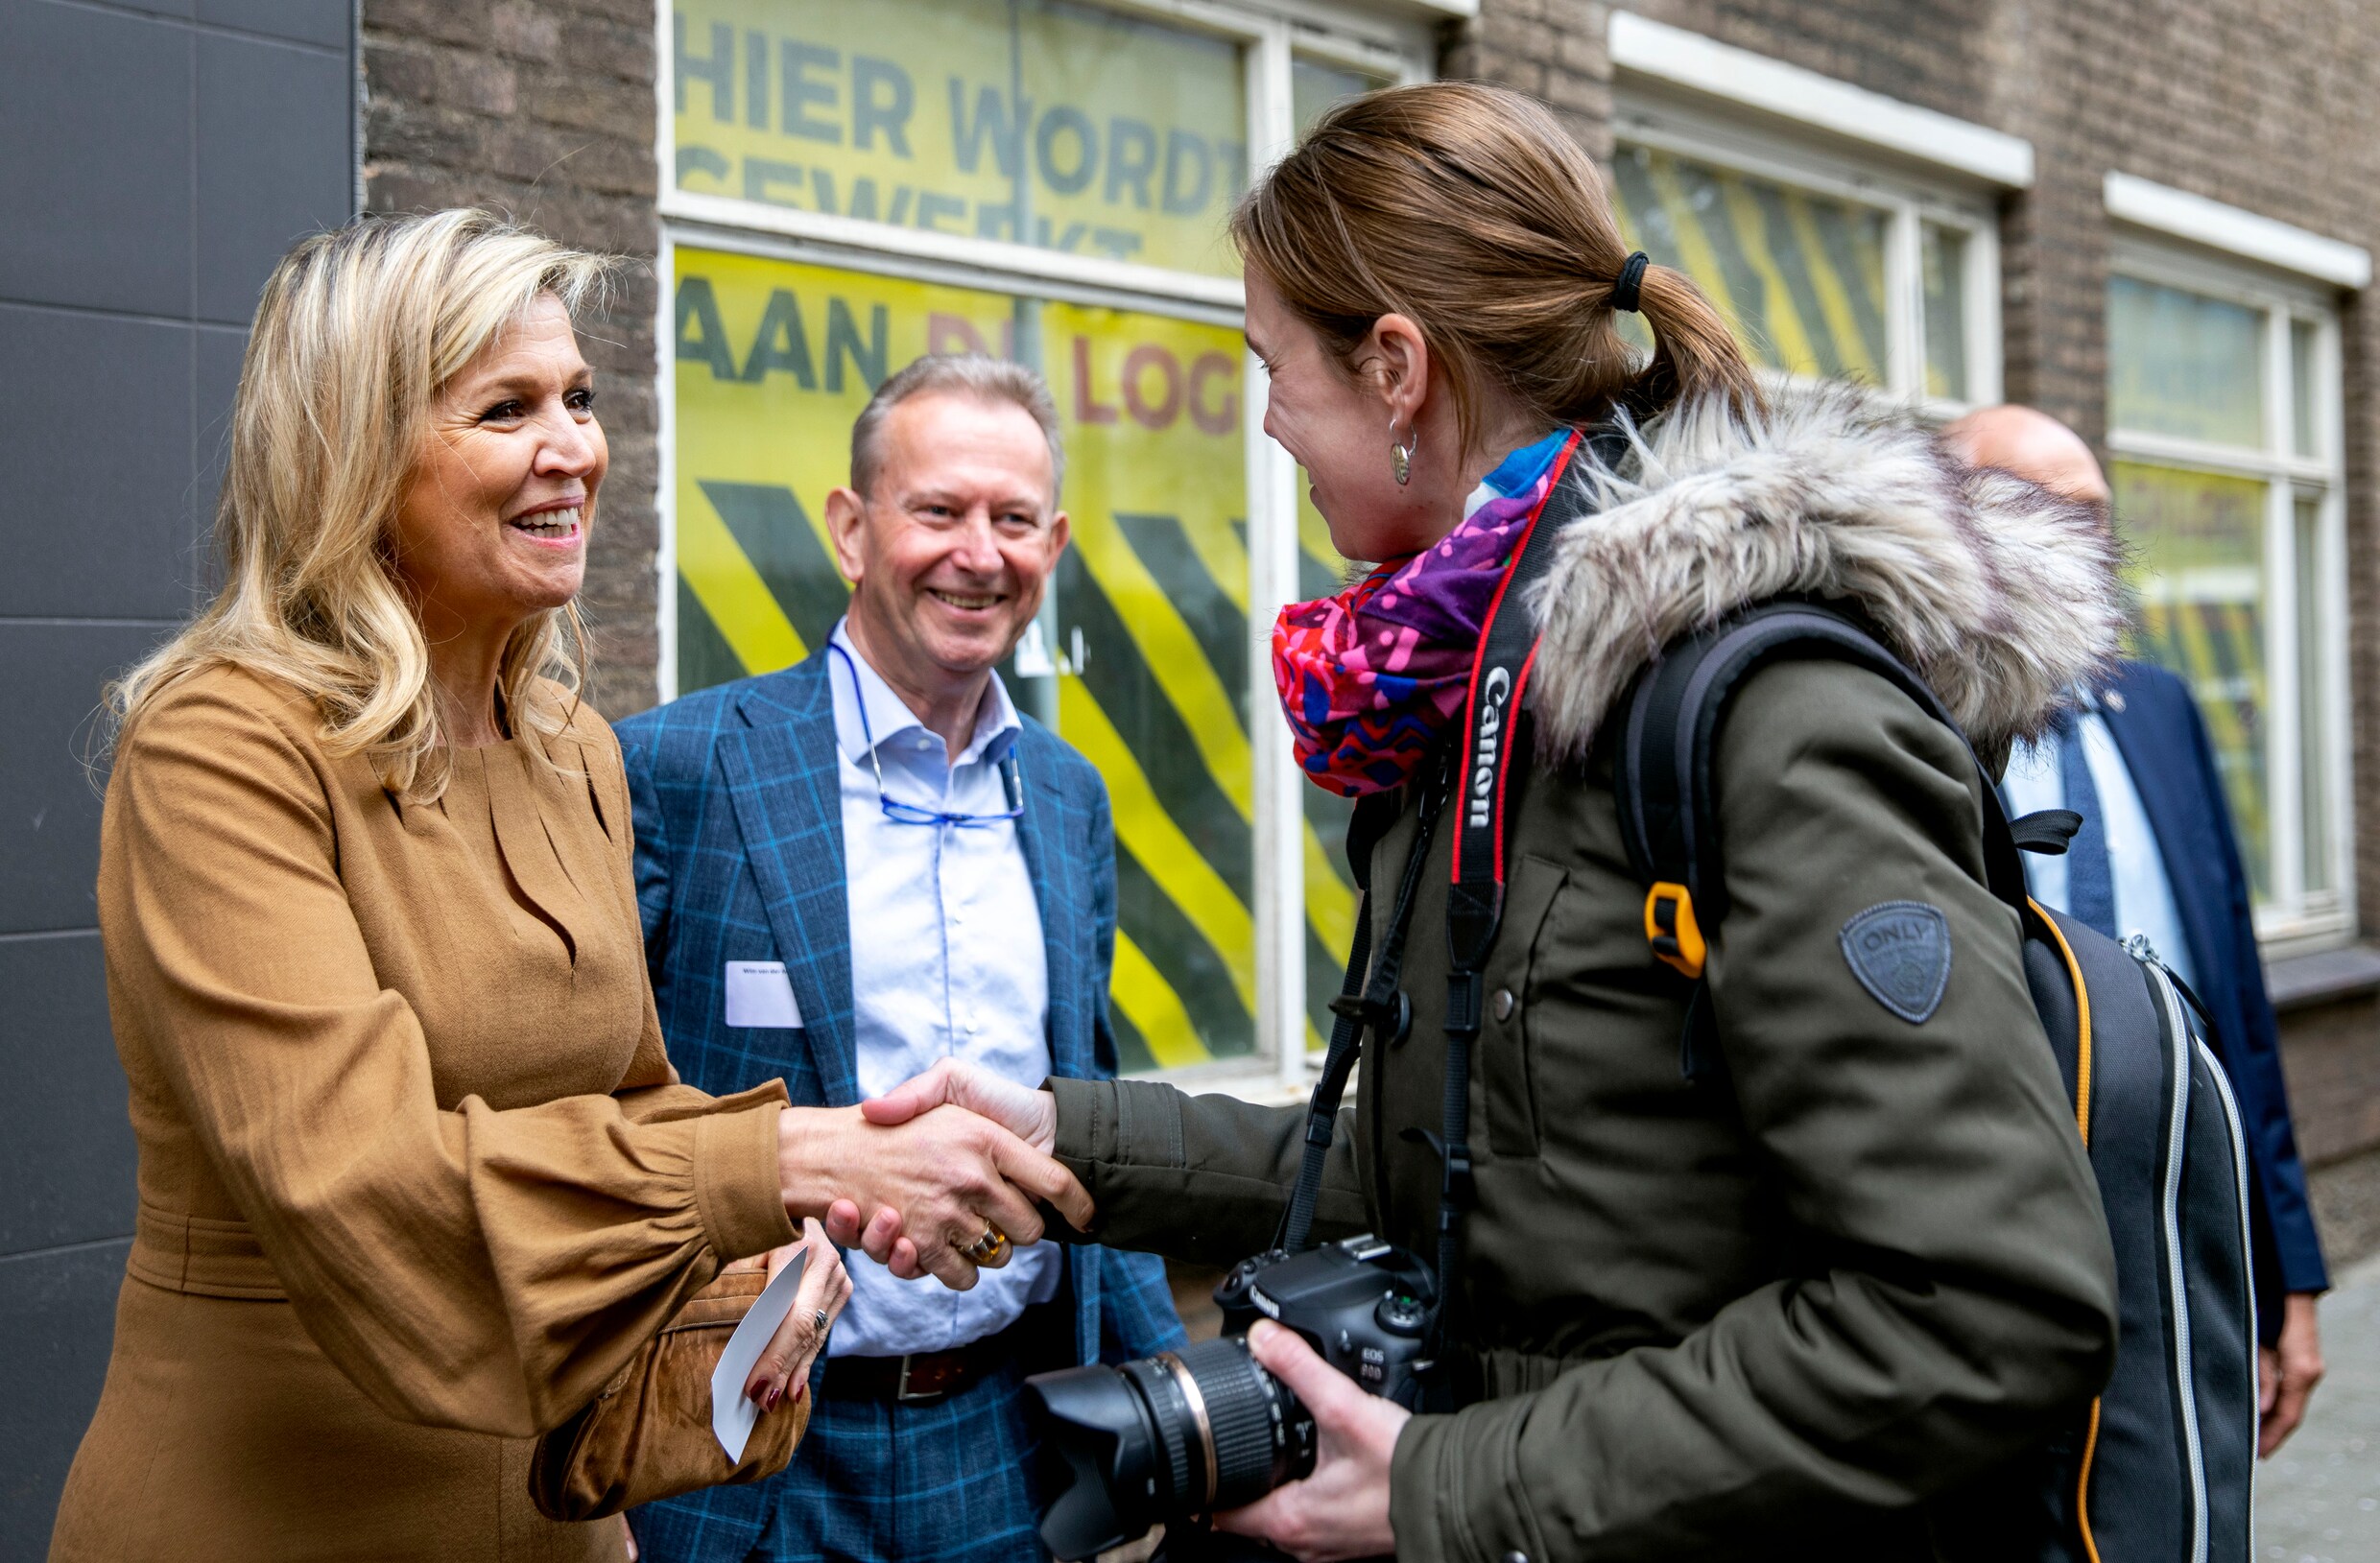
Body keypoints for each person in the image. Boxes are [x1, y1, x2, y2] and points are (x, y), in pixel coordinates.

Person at [860, 83, 2129, 1560]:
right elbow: (1436, 1159)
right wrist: (1067, 1139)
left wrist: (1439, 1489)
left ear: (1396, 369)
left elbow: (1984, 1306)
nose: (1268, 423)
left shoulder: (1755, 716)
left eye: (1276, 369)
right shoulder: (1466, 701)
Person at [51, 211, 1088, 1562]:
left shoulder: (572, 745)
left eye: (580, 402)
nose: (575, 450)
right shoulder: (223, 746)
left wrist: (785, 1236)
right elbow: (352, 1178)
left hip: (566, 1520)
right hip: (279, 1511)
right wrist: (782, 1156)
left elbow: (632, 1099)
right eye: (506, 409)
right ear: (355, 448)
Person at [615, 354, 1184, 1563]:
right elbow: (602, 1103)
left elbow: (1088, 1093)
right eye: (936, 510)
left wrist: (1170, 1388)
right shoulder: (677, 769)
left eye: (1012, 519)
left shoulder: (1070, 798)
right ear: (850, 530)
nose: (977, 553)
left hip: (1008, 1443)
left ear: (1055, 542)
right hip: (752, 1445)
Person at [1945, 403, 2329, 1456]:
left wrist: (2286, 1274)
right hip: (1992, 1252)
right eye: (2045, 511)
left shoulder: (2158, 706)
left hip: (2178, 1230)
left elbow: (2238, 1014)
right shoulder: (1911, 717)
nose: (2090, 547)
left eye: (2098, 516)